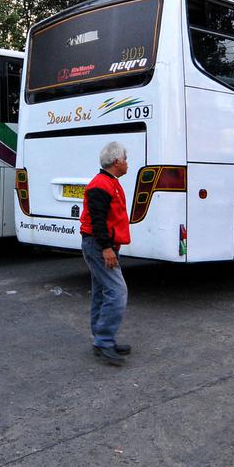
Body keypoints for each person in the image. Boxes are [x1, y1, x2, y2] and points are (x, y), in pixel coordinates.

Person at [79, 141, 132, 366]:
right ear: (116, 161)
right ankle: (103, 339)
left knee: (101, 292)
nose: (128, 163)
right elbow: (98, 220)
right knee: (118, 292)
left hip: (101, 245)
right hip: (99, 246)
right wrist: (107, 248)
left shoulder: (110, 182)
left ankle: (101, 339)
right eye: (126, 159)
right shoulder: (101, 185)